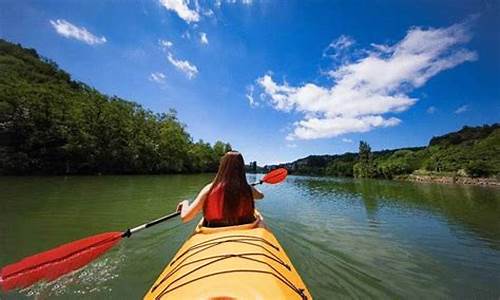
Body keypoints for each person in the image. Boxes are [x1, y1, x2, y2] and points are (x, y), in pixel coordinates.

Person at [176, 151, 264, 227]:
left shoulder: (209, 189)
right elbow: (261, 196)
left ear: (222, 167)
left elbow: (185, 218)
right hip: (246, 228)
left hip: (214, 229)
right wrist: (249, 187)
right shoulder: (247, 188)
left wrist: (185, 203)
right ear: (241, 168)